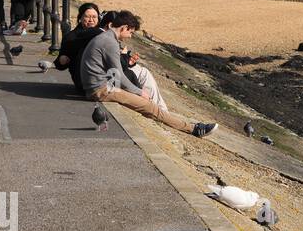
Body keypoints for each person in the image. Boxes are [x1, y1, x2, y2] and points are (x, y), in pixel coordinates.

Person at [79, 10, 214, 137]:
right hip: (100, 90)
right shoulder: (110, 42)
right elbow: (118, 76)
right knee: (149, 106)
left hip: (98, 85)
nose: (130, 36)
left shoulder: (106, 37)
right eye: (130, 32)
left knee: (149, 105)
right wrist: (139, 92)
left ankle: (180, 123)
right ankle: (194, 129)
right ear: (123, 28)